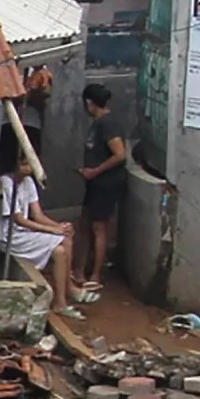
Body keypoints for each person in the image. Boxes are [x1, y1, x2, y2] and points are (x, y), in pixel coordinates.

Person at [0, 158, 76, 312]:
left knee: (65, 242)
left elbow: (38, 214)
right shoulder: (6, 182)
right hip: (8, 235)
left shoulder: (28, 182)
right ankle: (62, 299)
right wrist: (51, 230)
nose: (28, 168)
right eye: (24, 164)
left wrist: (59, 227)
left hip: (22, 232)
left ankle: (67, 290)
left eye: (30, 163)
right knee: (60, 249)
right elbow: (19, 219)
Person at [74, 83, 127, 291]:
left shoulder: (107, 124)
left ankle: (96, 274)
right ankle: (80, 268)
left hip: (106, 183)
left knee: (98, 227)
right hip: (96, 182)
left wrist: (95, 171)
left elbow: (120, 154)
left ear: (89, 103)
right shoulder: (100, 123)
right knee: (86, 223)